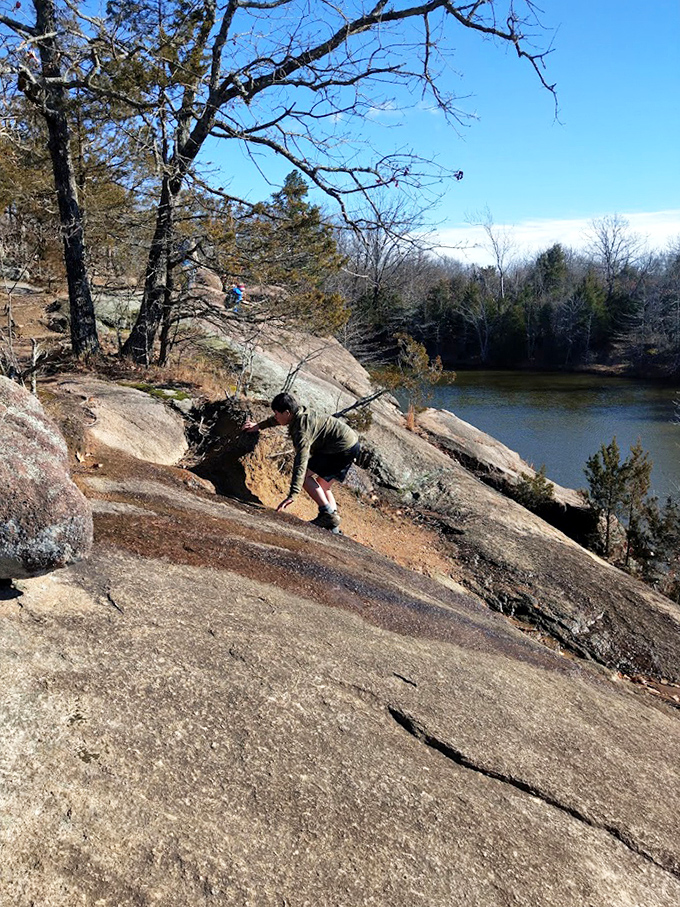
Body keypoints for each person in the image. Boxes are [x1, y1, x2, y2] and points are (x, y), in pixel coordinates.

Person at [242, 392, 360, 531]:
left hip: (340, 449)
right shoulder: (297, 413)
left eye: (276, 413)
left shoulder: (301, 430)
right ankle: (333, 526)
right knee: (323, 486)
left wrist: (293, 494)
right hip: (352, 445)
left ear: (287, 412)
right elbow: (278, 420)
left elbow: (301, 461)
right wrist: (258, 426)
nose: (275, 416)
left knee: (304, 476)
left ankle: (327, 514)